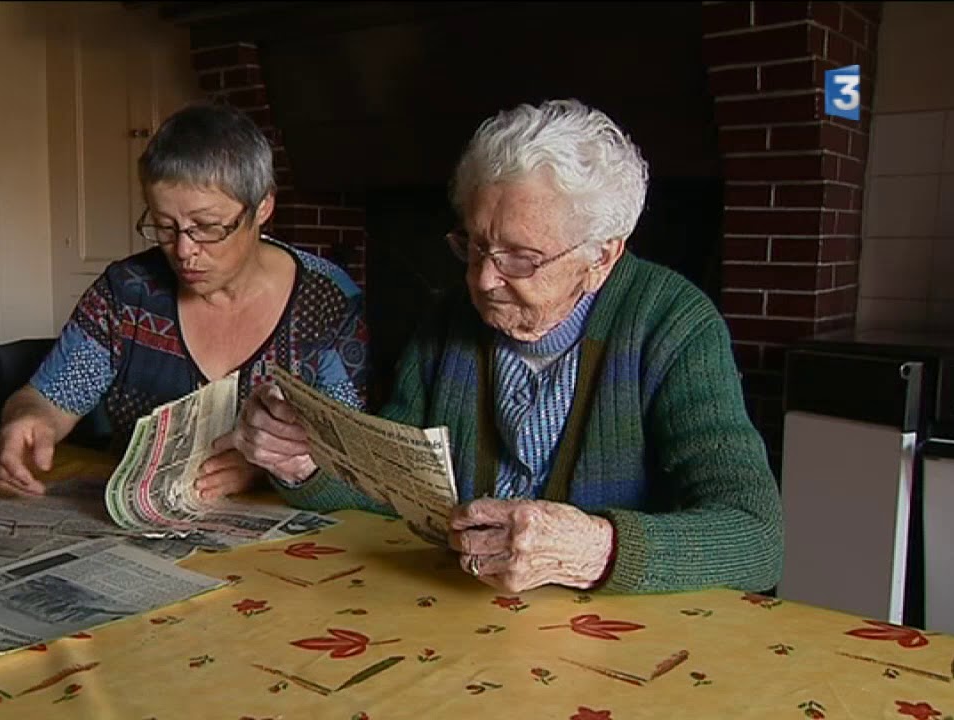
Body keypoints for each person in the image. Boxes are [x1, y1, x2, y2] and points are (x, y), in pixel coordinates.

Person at [225, 99, 783, 596]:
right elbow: (393, 489)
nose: (484, 280)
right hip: (458, 623)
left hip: (614, 642)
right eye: (473, 245)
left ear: (602, 256)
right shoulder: (449, 318)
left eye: (520, 258)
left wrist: (594, 549)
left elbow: (757, 536)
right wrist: (304, 463)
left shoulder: (673, 323)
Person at [0, 103, 368, 502]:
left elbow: (348, 454)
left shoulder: (326, 299)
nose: (184, 250)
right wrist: (28, 419)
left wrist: (263, 468)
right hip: (139, 520)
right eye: (164, 226)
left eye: (206, 227)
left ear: (263, 207)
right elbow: (49, 398)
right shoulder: (127, 294)